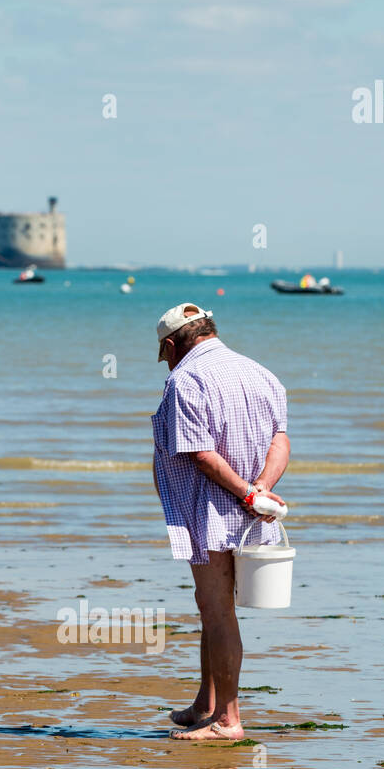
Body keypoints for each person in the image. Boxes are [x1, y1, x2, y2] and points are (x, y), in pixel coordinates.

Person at [151, 303, 290, 742]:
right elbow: (280, 440)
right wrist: (261, 490)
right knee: (211, 608)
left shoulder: (185, 379)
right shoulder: (260, 372)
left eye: (164, 353)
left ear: (172, 345)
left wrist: (247, 493)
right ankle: (205, 704)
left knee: (218, 612)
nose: (166, 363)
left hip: (212, 509)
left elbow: (202, 455)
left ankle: (228, 721)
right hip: (253, 512)